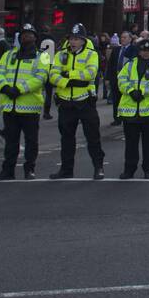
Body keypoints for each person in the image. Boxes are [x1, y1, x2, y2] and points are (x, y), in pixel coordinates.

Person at [48, 23, 105, 180]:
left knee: (92, 136)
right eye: (71, 39)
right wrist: (68, 81)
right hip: (66, 101)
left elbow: (90, 73)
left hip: (85, 101)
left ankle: (98, 167)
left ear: (83, 40)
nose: (73, 42)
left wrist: (67, 74)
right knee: (66, 138)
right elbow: (52, 74)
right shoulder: (61, 54)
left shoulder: (91, 54)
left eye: (76, 39)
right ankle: (66, 169)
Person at [0, 24, 48, 180]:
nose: (26, 38)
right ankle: (8, 170)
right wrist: (4, 87)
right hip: (10, 105)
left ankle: (29, 169)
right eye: (24, 35)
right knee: (11, 141)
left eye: (30, 35)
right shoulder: (9, 54)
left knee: (31, 142)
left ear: (35, 38)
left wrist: (19, 89)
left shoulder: (42, 56)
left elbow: (40, 78)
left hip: (29, 106)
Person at [117, 38, 149, 179]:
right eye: (143, 50)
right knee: (131, 143)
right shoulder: (130, 65)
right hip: (130, 110)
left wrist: (142, 91)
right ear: (139, 51)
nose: (146, 53)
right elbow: (121, 80)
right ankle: (129, 169)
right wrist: (131, 91)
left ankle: (148, 169)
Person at [39, 37, 56, 121]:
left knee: (39, 93)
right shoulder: (52, 54)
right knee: (48, 94)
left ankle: (37, 111)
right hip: (49, 75)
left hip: (41, 75)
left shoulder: (41, 53)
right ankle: (46, 113)